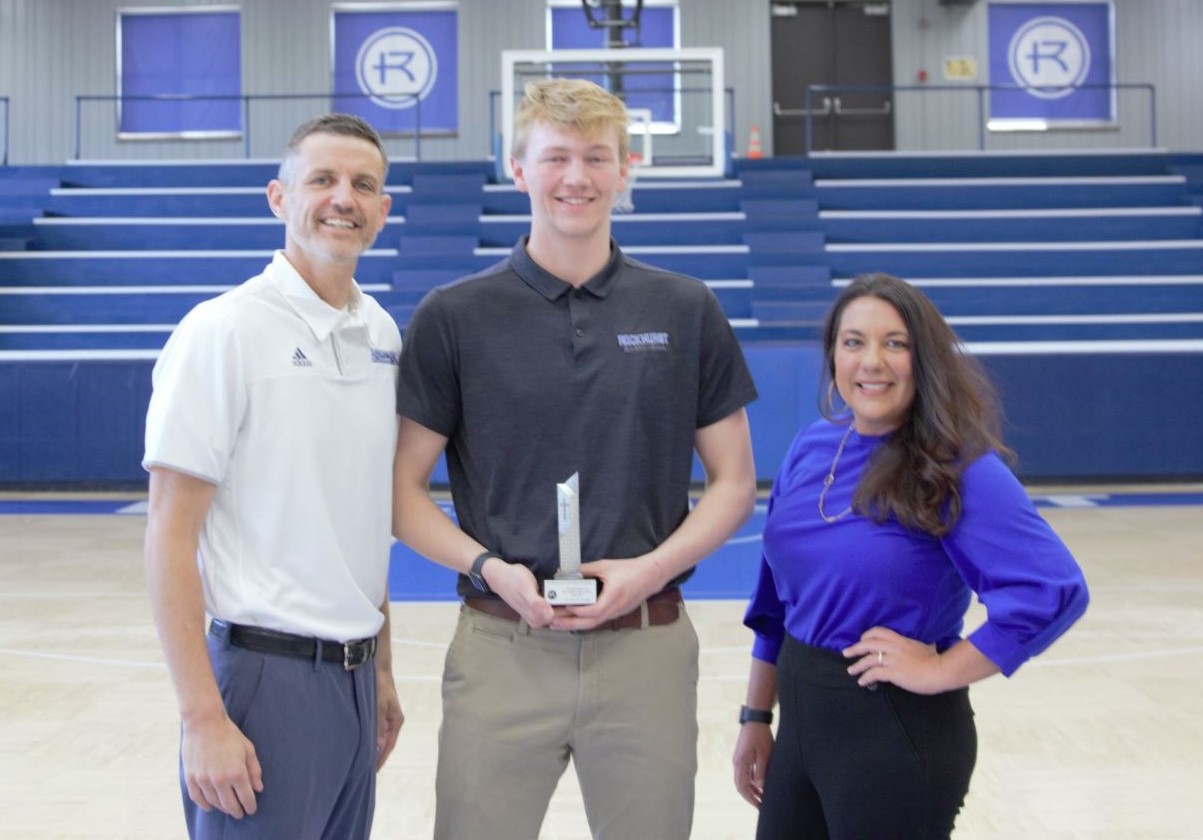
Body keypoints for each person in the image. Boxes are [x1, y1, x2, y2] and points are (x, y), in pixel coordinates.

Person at [392, 77, 759, 839]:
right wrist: (491, 569)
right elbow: (401, 493)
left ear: (626, 169)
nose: (576, 177)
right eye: (555, 157)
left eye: (597, 157)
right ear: (517, 168)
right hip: (501, 645)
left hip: (646, 646)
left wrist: (650, 570)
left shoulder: (685, 308)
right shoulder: (453, 317)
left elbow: (733, 482)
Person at [732, 272, 1090, 839]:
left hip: (892, 731)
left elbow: (1053, 591)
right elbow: (774, 600)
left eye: (894, 343)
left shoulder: (956, 466)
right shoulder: (813, 445)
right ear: (833, 355)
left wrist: (944, 667)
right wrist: (756, 715)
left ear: (923, 359)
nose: (871, 361)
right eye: (854, 342)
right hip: (803, 721)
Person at [142, 113, 404, 839]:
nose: (342, 198)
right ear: (278, 198)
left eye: (363, 184)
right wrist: (201, 716)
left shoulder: (381, 333)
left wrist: (380, 669)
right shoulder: (223, 332)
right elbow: (168, 534)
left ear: (383, 210)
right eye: (321, 179)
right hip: (264, 679)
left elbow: (358, 517)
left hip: (353, 678)